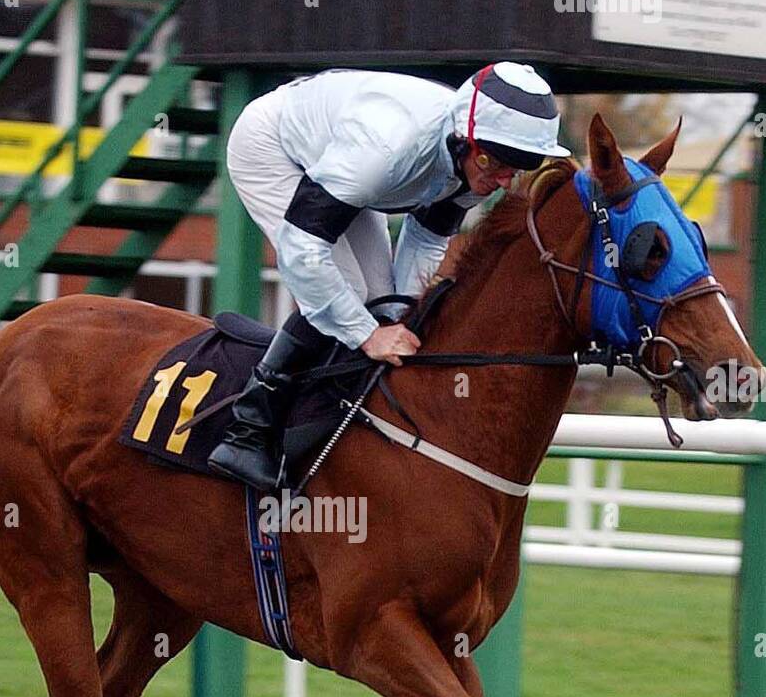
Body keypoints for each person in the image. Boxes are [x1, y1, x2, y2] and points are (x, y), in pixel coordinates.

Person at [207, 62, 572, 491]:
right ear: (464, 140)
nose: (502, 180)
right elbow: (302, 248)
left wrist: (396, 319)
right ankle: (248, 429)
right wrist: (367, 334)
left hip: (343, 156)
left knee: (383, 304)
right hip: (273, 147)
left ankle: (337, 419)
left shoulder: (481, 159)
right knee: (355, 299)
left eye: (519, 167)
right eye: (496, 164)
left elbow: (425, 240)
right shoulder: (384, 150)